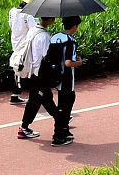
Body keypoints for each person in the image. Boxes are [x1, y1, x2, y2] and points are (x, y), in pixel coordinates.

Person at [17, 15, 58, 141]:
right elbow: (47, 56)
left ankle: (60, 119)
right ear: (50, 20)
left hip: (33, 71)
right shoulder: (44, 36)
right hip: (41, 72)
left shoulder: (34, 30)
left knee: (41, 98)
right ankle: (60, 119)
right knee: (39, 99)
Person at [48, 15, 83, 146]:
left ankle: (64, 131)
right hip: (67, 78)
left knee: (62, 104)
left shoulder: (55, 37)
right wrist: (79, 62)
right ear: (74, 26)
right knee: (66, 107)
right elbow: (68, 63)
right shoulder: (71, 41)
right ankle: (59, 135)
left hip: (55, 75)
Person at [8, 0, 37, 104]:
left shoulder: (12, 11)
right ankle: (35, 95)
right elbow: (33, 30)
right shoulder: (28, 16)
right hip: (25, 45)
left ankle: (15, 95)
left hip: (15, 43)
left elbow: (11, 25)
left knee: (17, 68)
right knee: (32, 69)